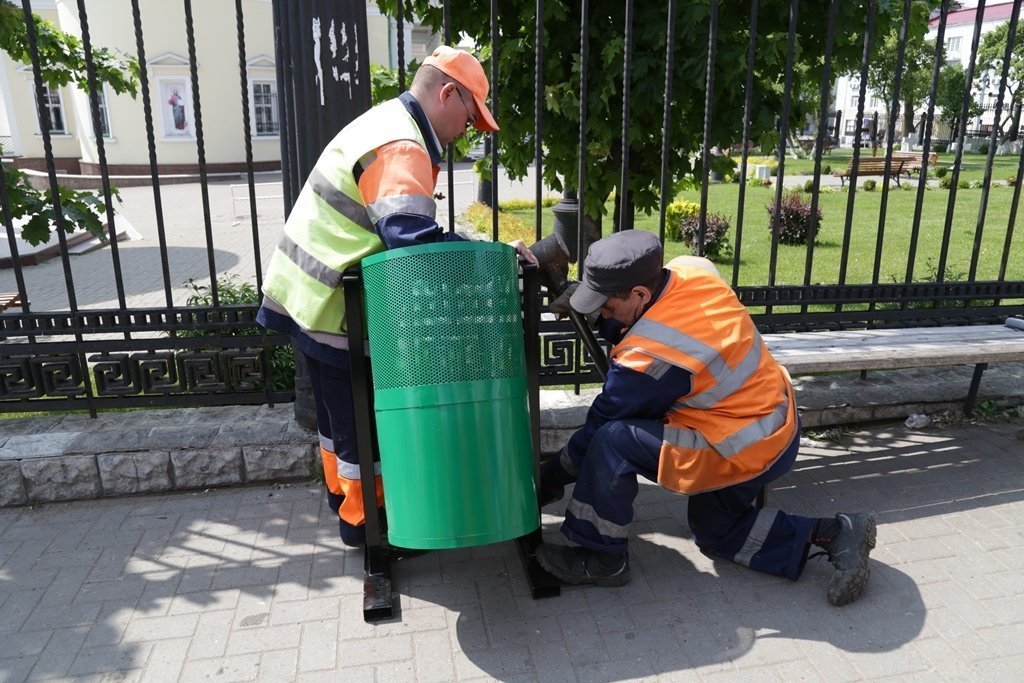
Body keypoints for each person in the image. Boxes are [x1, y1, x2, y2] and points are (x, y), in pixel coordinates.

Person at [257, 46, 536, 546]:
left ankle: (343, 505)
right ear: (448, 93)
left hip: (307, 290)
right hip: (330, 304)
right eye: (470, 118)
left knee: (336, 420)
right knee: (356, 426)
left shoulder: (386, 121)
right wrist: (491, 255)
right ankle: (366, 529)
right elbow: (412, 242)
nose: (466, 133)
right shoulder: (404, 144)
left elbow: (404, 227)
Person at [537, 230, 876, 606]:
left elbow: (602, 422)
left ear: (639, 294)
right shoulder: (691, 269)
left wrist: (549, 479)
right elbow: (648, 319)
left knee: (613, 441)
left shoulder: (651, 357)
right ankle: (835, 532)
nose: (603, 314)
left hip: (740, 446)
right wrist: (593, 305)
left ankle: (603, 559)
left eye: (607, 307)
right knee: (717, 534)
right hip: (775, 420)